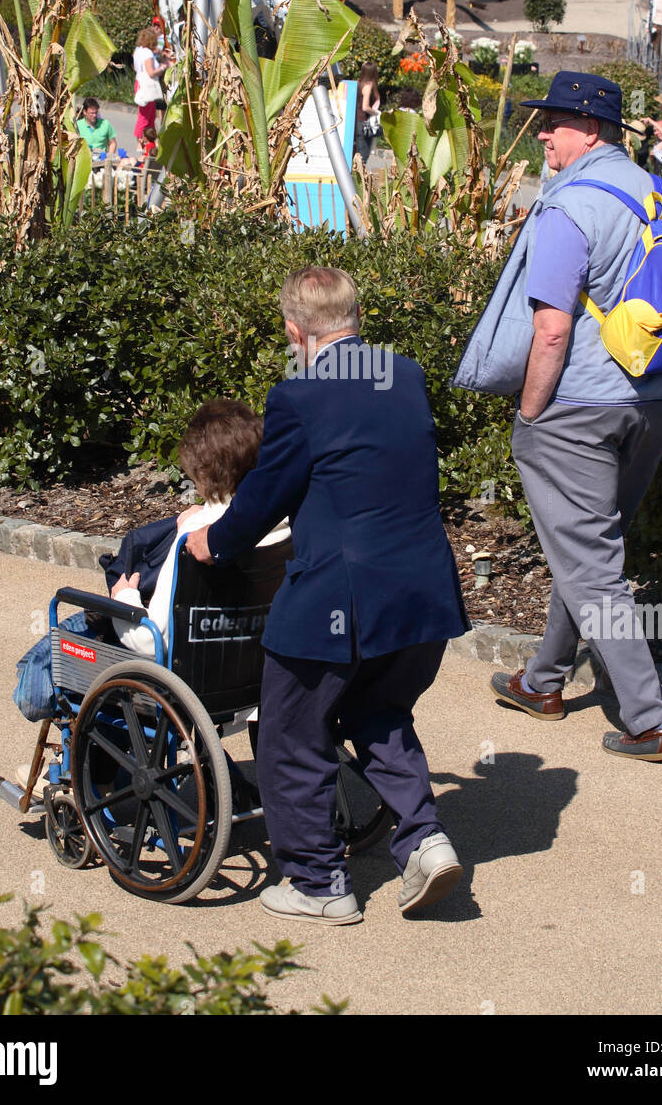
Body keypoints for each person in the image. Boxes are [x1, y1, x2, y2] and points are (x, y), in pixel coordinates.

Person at [185, 267, 469, 923]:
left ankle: (318, 882)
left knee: (288, 732)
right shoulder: (406, 375)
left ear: (294, 330)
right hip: (423, 595)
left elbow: (264, 496)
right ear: (355, 315)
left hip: (341, 601)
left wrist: (217, 542)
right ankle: (424, 839)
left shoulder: (299, 396)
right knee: (378, 711)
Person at [454, 72, 662, 762]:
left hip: (577, 406)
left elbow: (550, 331)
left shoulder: (566, 206)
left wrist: (529, 416)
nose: (543, 133)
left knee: (591, 562)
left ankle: (650, 720)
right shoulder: (658, 192)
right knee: (590, 548)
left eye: (553, 120)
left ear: (589, 131)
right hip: (657, 395)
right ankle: (543, 680)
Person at [12, 401, 291, 740]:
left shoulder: (197, 539)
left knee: (71, 633)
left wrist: (125, 596)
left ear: (201, 474)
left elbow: (149, 639)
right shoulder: (285, 525)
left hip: (180, 681)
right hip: (249, 676)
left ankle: (73, 755)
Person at [133, 25, 171, 141]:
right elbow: (151, 72)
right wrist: (163, 67)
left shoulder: (138, 51)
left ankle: (146, 141)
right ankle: (141, 141)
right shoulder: (147, 53)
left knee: (146, 115)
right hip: (147, 86)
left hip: (139, 83)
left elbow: (136, 68)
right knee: (146, 117)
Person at [354, 61, 381, 162]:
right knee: (363, 156)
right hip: (363, 123)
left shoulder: (358, 83)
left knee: (357, 154)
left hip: (356, 121)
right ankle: (358, 177)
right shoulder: (368, 86)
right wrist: (376, 113)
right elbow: (365, 107)